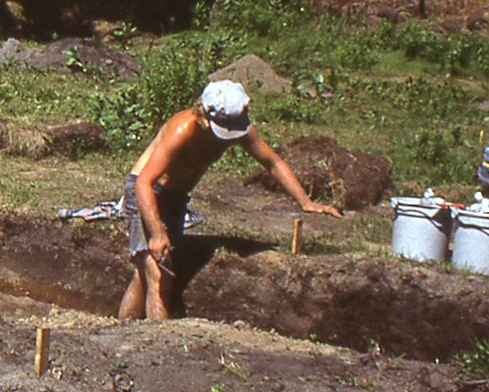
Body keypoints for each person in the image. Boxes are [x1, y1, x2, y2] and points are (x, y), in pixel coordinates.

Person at [119, 79, 341, 321]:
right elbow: (143, 183)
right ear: (204, 116)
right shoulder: (182, 130)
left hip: (176, 198)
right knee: (159, 275)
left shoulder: (238, 129)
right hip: (147, 192)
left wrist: (305, 202)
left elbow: (272, 162)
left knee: (146, 273)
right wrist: (157, 232)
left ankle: (125, 329)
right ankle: (158, 343)